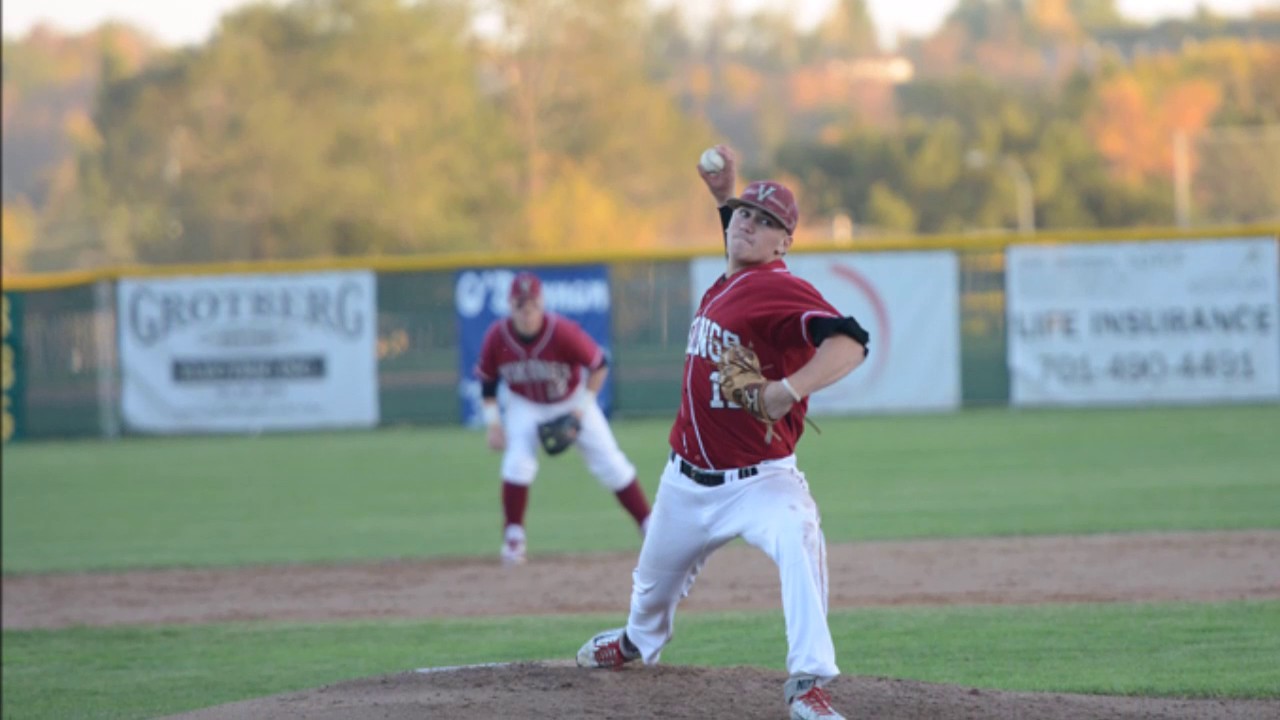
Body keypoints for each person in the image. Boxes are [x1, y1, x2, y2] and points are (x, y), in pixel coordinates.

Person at [574, 146, 870, 720]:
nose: (748, 224)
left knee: (798, 532)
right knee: (649, 596)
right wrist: (723, 197)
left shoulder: (779, 287)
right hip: (684, 482)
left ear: (785, 244)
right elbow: (738, 247)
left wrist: (789, 388)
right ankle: (636, 642)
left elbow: (851, 341)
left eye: (766, 222)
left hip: (759, 482)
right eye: (743, 214)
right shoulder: (732, 278)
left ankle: (809, 681)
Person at [476, 271, 651, 567]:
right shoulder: (497, 336)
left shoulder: (562, 332)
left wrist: (580, 410)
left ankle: (649, 528)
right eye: (520, 304)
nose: (526, 310)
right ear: (510, 305)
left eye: (530, 303)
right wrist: (493, 423)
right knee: (517, 463)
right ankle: (514, 537)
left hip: (571, 400)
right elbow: (488, 382)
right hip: (525, 404)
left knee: (612, 464)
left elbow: (599, 365)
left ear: (541, 302)